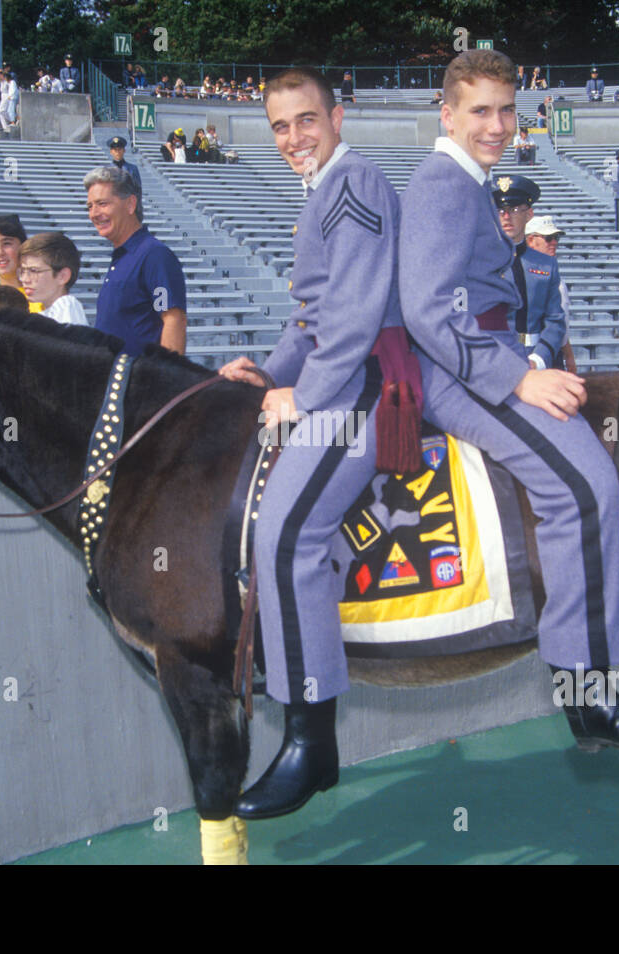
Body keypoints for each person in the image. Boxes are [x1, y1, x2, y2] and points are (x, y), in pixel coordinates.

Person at [400, 50, 619, 751]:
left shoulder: (470, 178)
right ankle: (588, 695)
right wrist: (518, 379)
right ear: (446, 114)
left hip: (486, 357)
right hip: (458, 373)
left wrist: (524, 356)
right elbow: (429, 313)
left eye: (506, 110)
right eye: (480, 111)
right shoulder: (444, 182)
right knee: (585, 485)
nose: (497, 125)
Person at [211, 67, 411, 818]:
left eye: (306, 120)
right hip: (342, 368)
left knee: (285, 531)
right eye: (280, 127)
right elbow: (311, 320)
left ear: (335, 115)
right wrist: (266, 373)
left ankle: (311, 742)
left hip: (364, 383)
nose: (294, 138)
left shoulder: (352, 185)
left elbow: (353, 321)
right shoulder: (323, 188)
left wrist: (303, 393)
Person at [84, 165, 187, 354]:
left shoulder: (153, 255)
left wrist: (164, 379)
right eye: (90, 206)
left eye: (102, 204)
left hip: (141, 381)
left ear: (131, 204)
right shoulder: (122, 257)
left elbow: (173, 319)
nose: (94, 214)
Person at [494, 175, 570, 371]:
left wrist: (539, 359)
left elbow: (555, 319)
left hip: (538, 358)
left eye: (514, 209)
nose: (506, 216)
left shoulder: (546, 265)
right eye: (500, 210)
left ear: (529, 214)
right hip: (496, 360)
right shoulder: (479, 263)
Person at [524, 216, 578, 372]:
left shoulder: (552, 276)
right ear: (531, 240)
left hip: (550, 353)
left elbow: (560, 325)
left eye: (556, 238)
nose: (554, 243)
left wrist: (569, 356)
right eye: (548, 238)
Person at [17, 232, 87, 325]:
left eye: (34, 271)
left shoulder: (66, 306)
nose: (25, 279)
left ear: (62, 276)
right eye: (22, 271)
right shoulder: (47, 314)